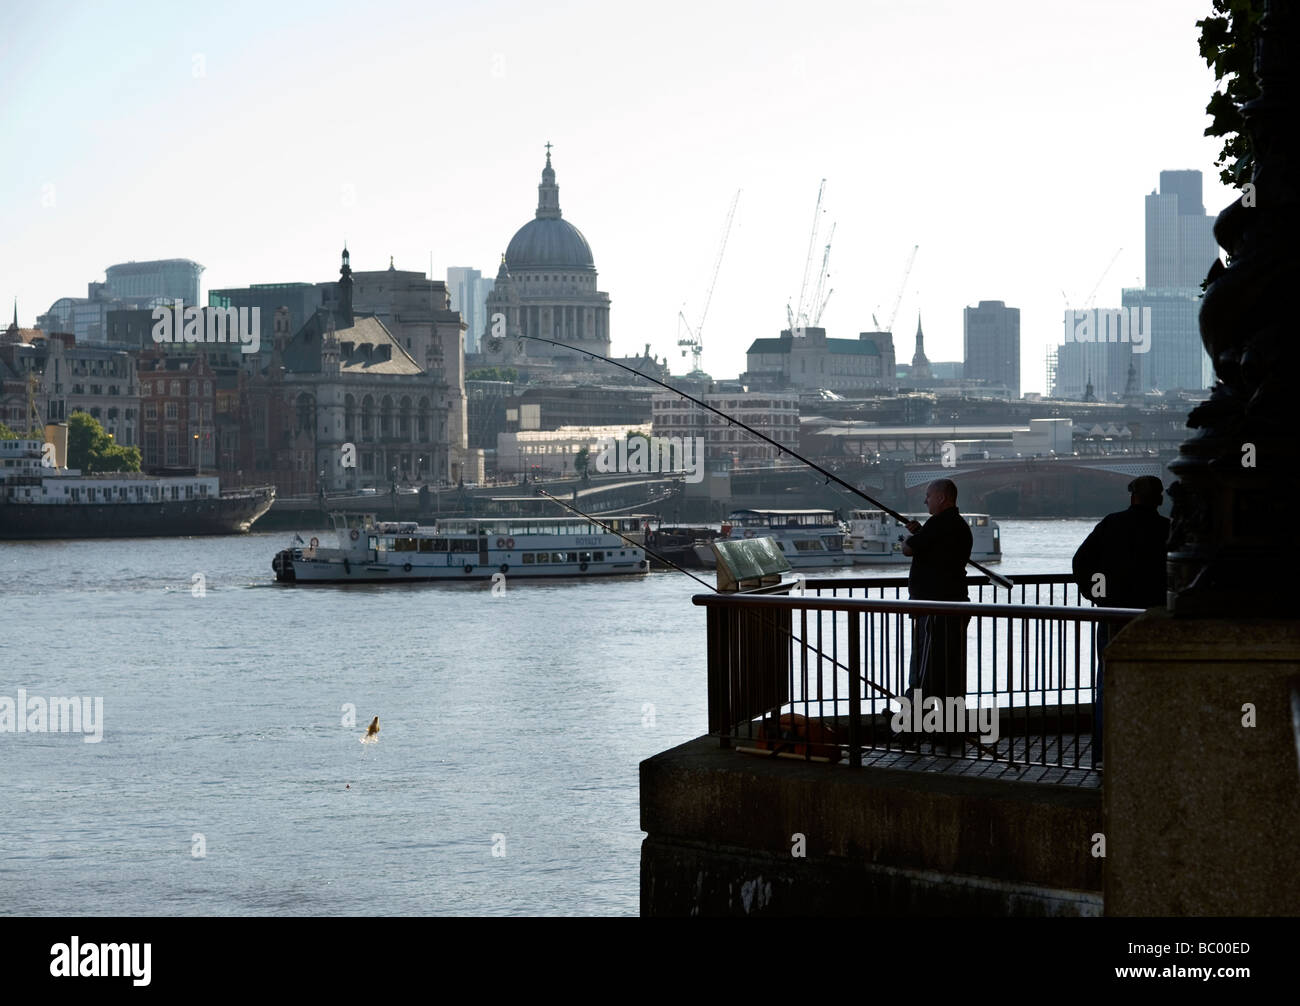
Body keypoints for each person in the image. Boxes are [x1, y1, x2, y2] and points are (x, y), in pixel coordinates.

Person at [1072, 476, 1170, 769]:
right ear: (1159, 499)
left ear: (1132, 497)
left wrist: (1096, 593)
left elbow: (1081, 561)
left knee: (1107, 682)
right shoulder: (1168, 529)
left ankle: (1105, 752)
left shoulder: (1111, 524)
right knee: (1153, 680)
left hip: (1114, 614)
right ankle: (1148, 746)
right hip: (1154, 618)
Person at [898, 479, 973, 748]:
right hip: (954, 606)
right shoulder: (957, 525)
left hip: (934, 609)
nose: (925, 500)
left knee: (923, 671)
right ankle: (948, 732)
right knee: (949, 672)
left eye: (928, 496)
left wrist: (909, 538)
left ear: (941, 497)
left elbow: (910, 549)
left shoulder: (939, 525)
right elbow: (932, 548)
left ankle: (910, 729)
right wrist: (921, 534)